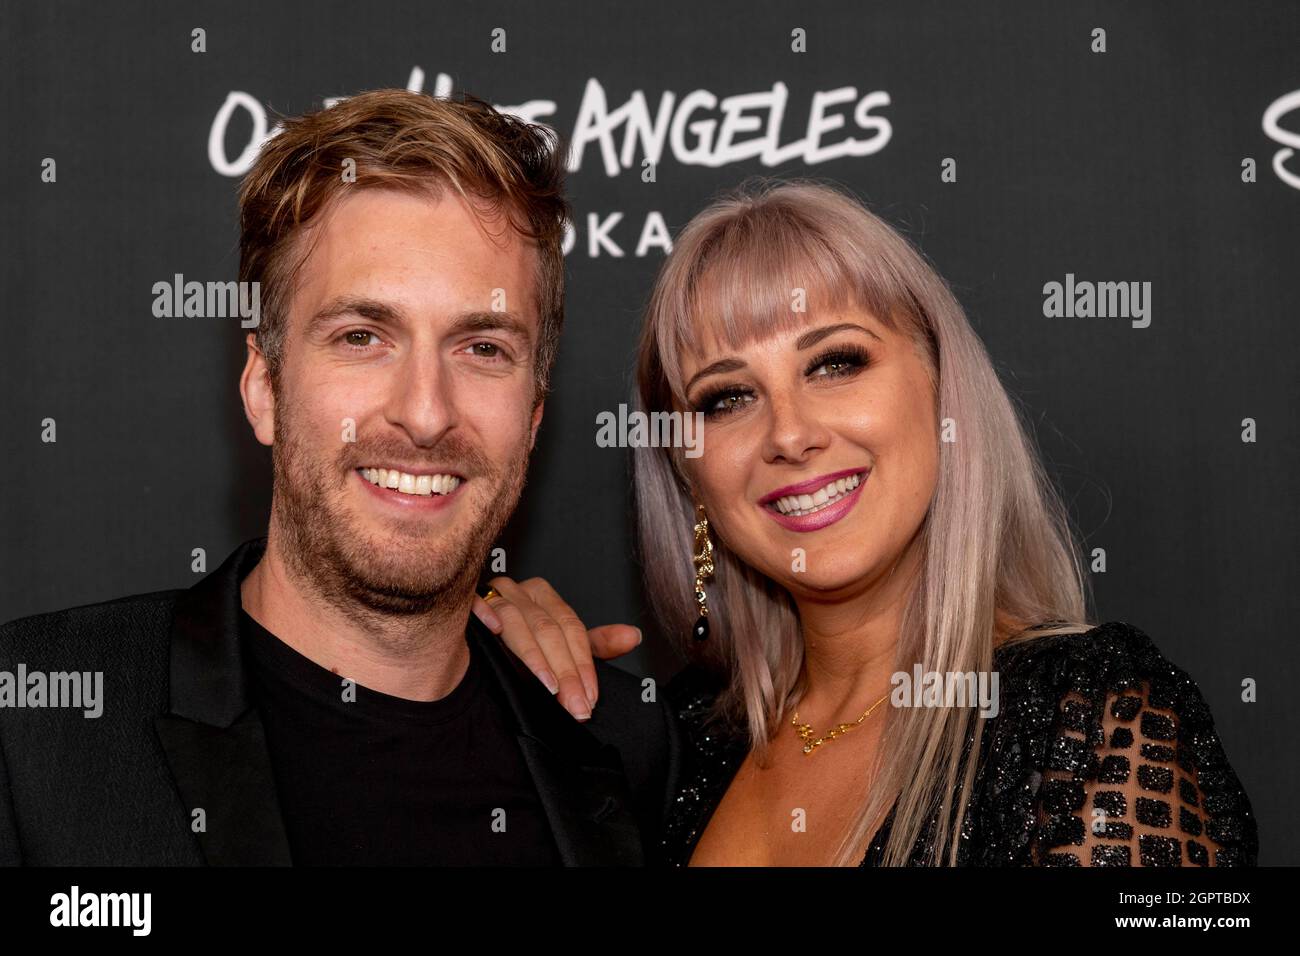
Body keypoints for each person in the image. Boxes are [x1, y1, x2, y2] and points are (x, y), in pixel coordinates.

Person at [477, 180, 1259, 867]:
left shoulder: (1088, 720)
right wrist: (486, 670)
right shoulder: (679, 744)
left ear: (941, 387)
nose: (790, 434)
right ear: (689, 476)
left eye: (836, 363)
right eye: (728, 398)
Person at [0, 89, 674, 866]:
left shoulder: (626, 755)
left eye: (483, 348)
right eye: (362, 337)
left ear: (533, 414)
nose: (425, 414)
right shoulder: (40, 723)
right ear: (264, 387)